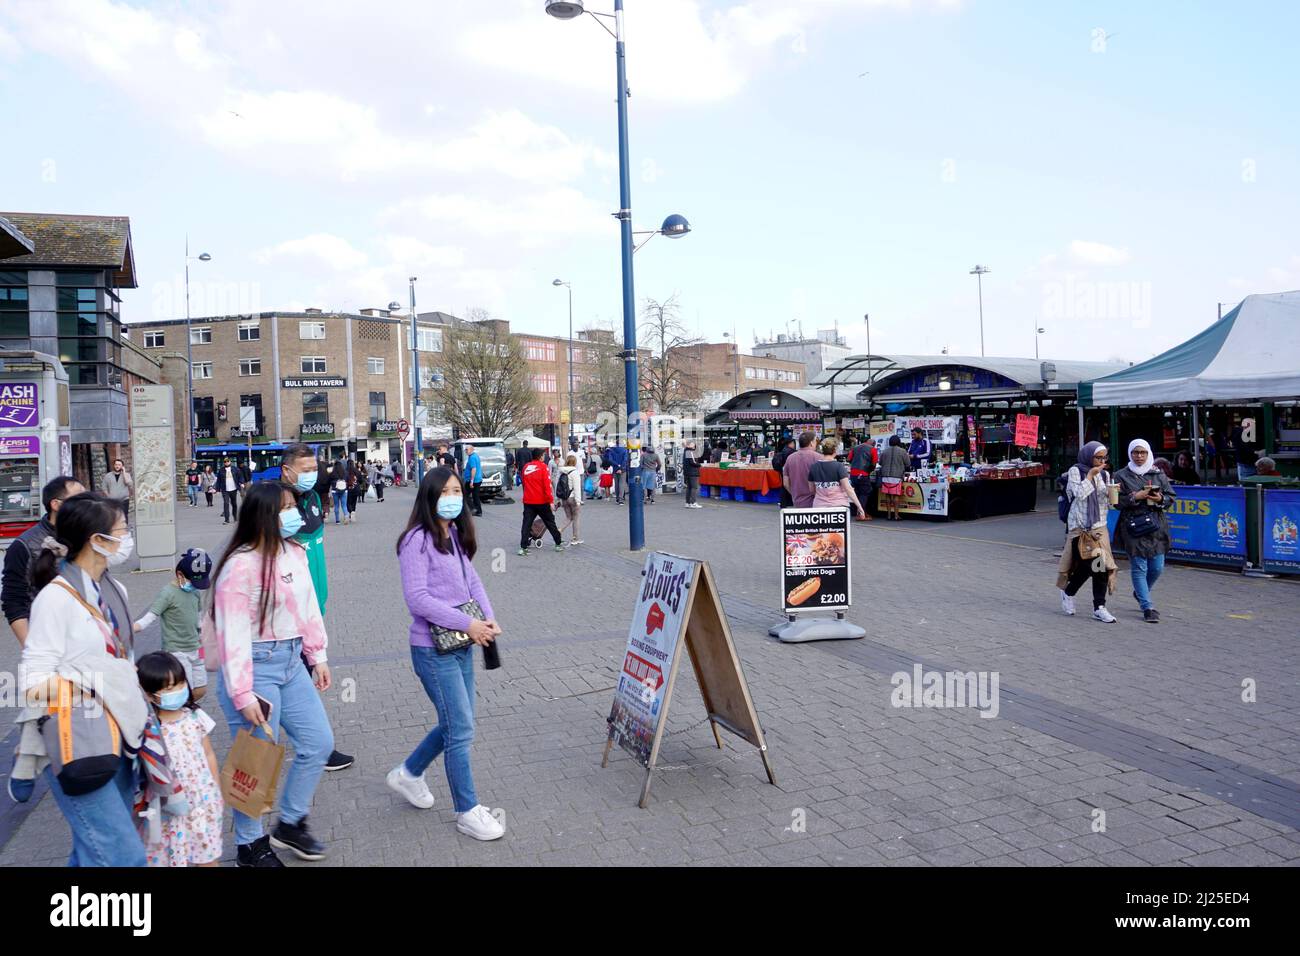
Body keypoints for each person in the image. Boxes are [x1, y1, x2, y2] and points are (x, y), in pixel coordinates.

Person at [207, 481, 335, 867]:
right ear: (263, 515)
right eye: (286, 507)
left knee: (319, 743)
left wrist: (318, 654)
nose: (294, 513)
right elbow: (231, 634)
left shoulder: (292, 552)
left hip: (293, 663)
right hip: (254, 667)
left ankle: (291, 822)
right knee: (256, 761)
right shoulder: (239, 565)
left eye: (293, 505)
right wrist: (243, 694)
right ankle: (250, 846)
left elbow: (308, 607)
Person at [18, 493, 147, 866]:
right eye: (122, 530)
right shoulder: (55, 599)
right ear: (96, 540)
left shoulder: (114, 590)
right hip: (80, 738)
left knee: (94, 850)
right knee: (123, 856)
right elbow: (33, 680)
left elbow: (123, 657)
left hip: (123, 734)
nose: (127, 538)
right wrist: (95, 689)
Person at [388, 467, 505, 840]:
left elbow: (472, 581)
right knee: (461, 728)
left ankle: (408, 773)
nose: (453, 498)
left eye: (457, 491)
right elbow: (417, 599)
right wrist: (466, 624)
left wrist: (487, 619)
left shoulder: (451, 534)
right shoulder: (416, 541)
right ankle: (467, 810)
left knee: (458, 721)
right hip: (432, 649)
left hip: (459, 646)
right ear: (430, 496)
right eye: (445, 491)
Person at [280, 444, 354, 774]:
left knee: (299, 680)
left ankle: (309, 746)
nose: (312, 474)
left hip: (313, 605)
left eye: (314, 469)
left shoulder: (310, 499)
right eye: (305, 469)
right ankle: (315, 748)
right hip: (288, 613)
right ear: (286, 470)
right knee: (293, 682)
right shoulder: (280, 505)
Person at [135, 651, 223, 867]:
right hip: (167, 806)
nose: (176, 691)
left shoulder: (195, 716)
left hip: (201, 800)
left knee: (207, 854)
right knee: (170, 855)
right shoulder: (147, 728)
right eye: (168, 688)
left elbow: (209, 753)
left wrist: (216, 787)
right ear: (148, 694)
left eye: (180, 684)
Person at [3, 475, 85, 646]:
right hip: (50, 641)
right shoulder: (24, 546)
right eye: (79, 499)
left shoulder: (87, 537)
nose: (87, 504)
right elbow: (13, 601)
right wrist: (31, 648)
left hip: (87, 639)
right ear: (56, 505)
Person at [133, 548, 212, 702]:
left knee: (201, 689)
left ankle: (184, 711)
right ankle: (181, 716)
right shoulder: (167, 593)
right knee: (184, 691)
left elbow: (197, 618)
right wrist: (131, 627)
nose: (194, 585)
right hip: (177, 651)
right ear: (179, 575)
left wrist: (204, 638)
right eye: (192, 581)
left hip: (196, 648)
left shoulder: (194, 592)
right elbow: (150, 617)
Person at [1113, 438, 1175, 624]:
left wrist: (1160, 499)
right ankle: (1147, 607)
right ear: (1130, 454)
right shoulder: (1120, 475)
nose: (1139, 456)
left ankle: (1140, 592)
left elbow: (1171, 498)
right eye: (1135, 452)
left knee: (1157, 567)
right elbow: (1115, 502)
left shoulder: (1157, 473)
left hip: (1155, 526)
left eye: (1143, 453)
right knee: (1139, 567)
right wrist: (1134, 497)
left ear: (1148, 454)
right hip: (1133, 526)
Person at [1056, 441, 1118, 624]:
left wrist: (1111, 493)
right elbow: (1078, 494)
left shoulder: (1105, 474)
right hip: (1080, 528)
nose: (1101, 461)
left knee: (1099, 566)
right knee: (1085, 566)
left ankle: (1099, 607)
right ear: (1088, 456)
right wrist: (1090, 475)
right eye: (1098, 457)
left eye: (1104, 457)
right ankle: (1068, 592)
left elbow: (1106, 504)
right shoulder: (1076, 471)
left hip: (1099, 527)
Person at [518, 448, 564, 555]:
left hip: (528, 501)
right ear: (540, 456)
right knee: (550, 523)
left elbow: (524, 483)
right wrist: (551, 501)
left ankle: (523, 548)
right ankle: (558, 544)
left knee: (526, 524)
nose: (544, 457)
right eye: (543, 455)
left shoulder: (526, 467)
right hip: (541, 501)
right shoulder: (543, 467)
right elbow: (547, 486)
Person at [810, 437, 867, 519]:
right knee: (838, 531)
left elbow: (812, 490)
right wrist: (859, 507)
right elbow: (848, 489)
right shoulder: (838, 466)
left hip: (819, 506)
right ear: (835, 450)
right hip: (838, 506)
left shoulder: (814, 467)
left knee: (822, 531)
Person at [782, 432, 820, 509]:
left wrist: (794, 493)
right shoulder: (818, 457)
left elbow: (785, 483)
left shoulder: (790, 458)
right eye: (815, 441)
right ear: (811, 443)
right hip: (815, 501)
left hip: (797, 501)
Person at [877, 435, 911, 520]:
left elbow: (880, 463)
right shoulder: (903, 451)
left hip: (885, 476)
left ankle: (888, 515)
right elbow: (908, 464)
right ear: (898, 442)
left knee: (888, 495)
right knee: (896, 495)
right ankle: (896, 515)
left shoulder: (884, 451)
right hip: (897, 476)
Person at [556, 452, 584, 545]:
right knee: (575, 518)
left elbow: (557, 485)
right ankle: (575, 538)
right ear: (575, 462)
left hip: (564, 498)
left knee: (568, 517)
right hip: (572, 498)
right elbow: (577, 488)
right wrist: (578, 501)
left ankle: (559, 530)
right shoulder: (574, 472)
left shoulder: (561, 471)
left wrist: (558, 499)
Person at [848, 435, 878, 521]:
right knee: (865, 493)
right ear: (873, 444)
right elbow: (874, 463)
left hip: (853, 473)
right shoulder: (872, 449)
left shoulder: (855, 448)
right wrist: (869, 471)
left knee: (857, 493)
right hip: (863, 474)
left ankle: (861, 512)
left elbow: (849, 459)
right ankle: (861, 514)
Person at [102, 457, 133, 521]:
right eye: (116, 464)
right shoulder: (108, 476)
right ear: (114, 465)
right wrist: (108, 496)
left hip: (124, 500)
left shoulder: (127, 475)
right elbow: (104, 488)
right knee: (114, 516)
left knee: (124, 515)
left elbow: (129, 483)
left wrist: (124, 472)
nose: (117, 466)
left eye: (119, 465)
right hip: (113, 501)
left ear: (122, 466)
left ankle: (125, 529)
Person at [216, 456, 244, 525]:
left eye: (227, 461)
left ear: (230, 461)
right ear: (224, 463)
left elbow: (240, 476)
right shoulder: (221, 470)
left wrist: (241, 483)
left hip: (233, 489)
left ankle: (235, 517)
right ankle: (226, 519)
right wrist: (217, 489)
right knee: (226, 503)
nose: (226, 462)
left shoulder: (235, 469)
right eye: (225, 461)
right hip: (225, 490)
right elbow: (218, 480)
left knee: (234, 504)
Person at [771, 437, 796, 508]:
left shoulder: (783, 450)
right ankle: (790, 502)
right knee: (789, 486)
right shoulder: (791, 452)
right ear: (790, 443)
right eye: (793, 443)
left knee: (784, 485)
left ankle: (783, 503)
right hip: (790, 471)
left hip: (783, 471)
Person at [462, 443, 483, 516]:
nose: (466, 451)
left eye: (467, 450)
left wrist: (471, 481)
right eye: (465, 450)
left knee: (465, 494)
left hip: (473, 480)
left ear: (471, 449)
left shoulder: (472, 458)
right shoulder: (475, 456)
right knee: (475, 495)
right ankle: (478, 511)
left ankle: (473, 509)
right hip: (477, 480)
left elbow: (473, 469)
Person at [607, 439, 629, 504]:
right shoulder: (624, 450)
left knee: (616, 484)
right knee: (622, 484)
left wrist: (616, 465)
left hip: (615, 469)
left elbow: (610, 460)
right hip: (623, 469)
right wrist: (621, 467)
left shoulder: (611, 450)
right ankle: (620, 499)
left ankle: (617, 498)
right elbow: (625, 460)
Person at [681, 440, 702, 508]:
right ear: (689, 445)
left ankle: (687, 503)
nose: (694, 445)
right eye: (693, 444)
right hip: (693, 472)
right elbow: (692, 462)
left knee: (689, 487)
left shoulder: (685, 451)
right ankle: (693, 502)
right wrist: (700, 465)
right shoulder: (690, 452)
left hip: (687, 472)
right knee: (694, 487)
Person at [329, 457, 349, 524]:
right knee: (344, 505)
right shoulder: (345, 472)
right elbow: (347, 480)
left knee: (336, 505)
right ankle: (346, 516)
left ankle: (337, 520)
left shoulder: (332, 472)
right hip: (344, 490)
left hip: (335, 490)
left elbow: (329, 480)